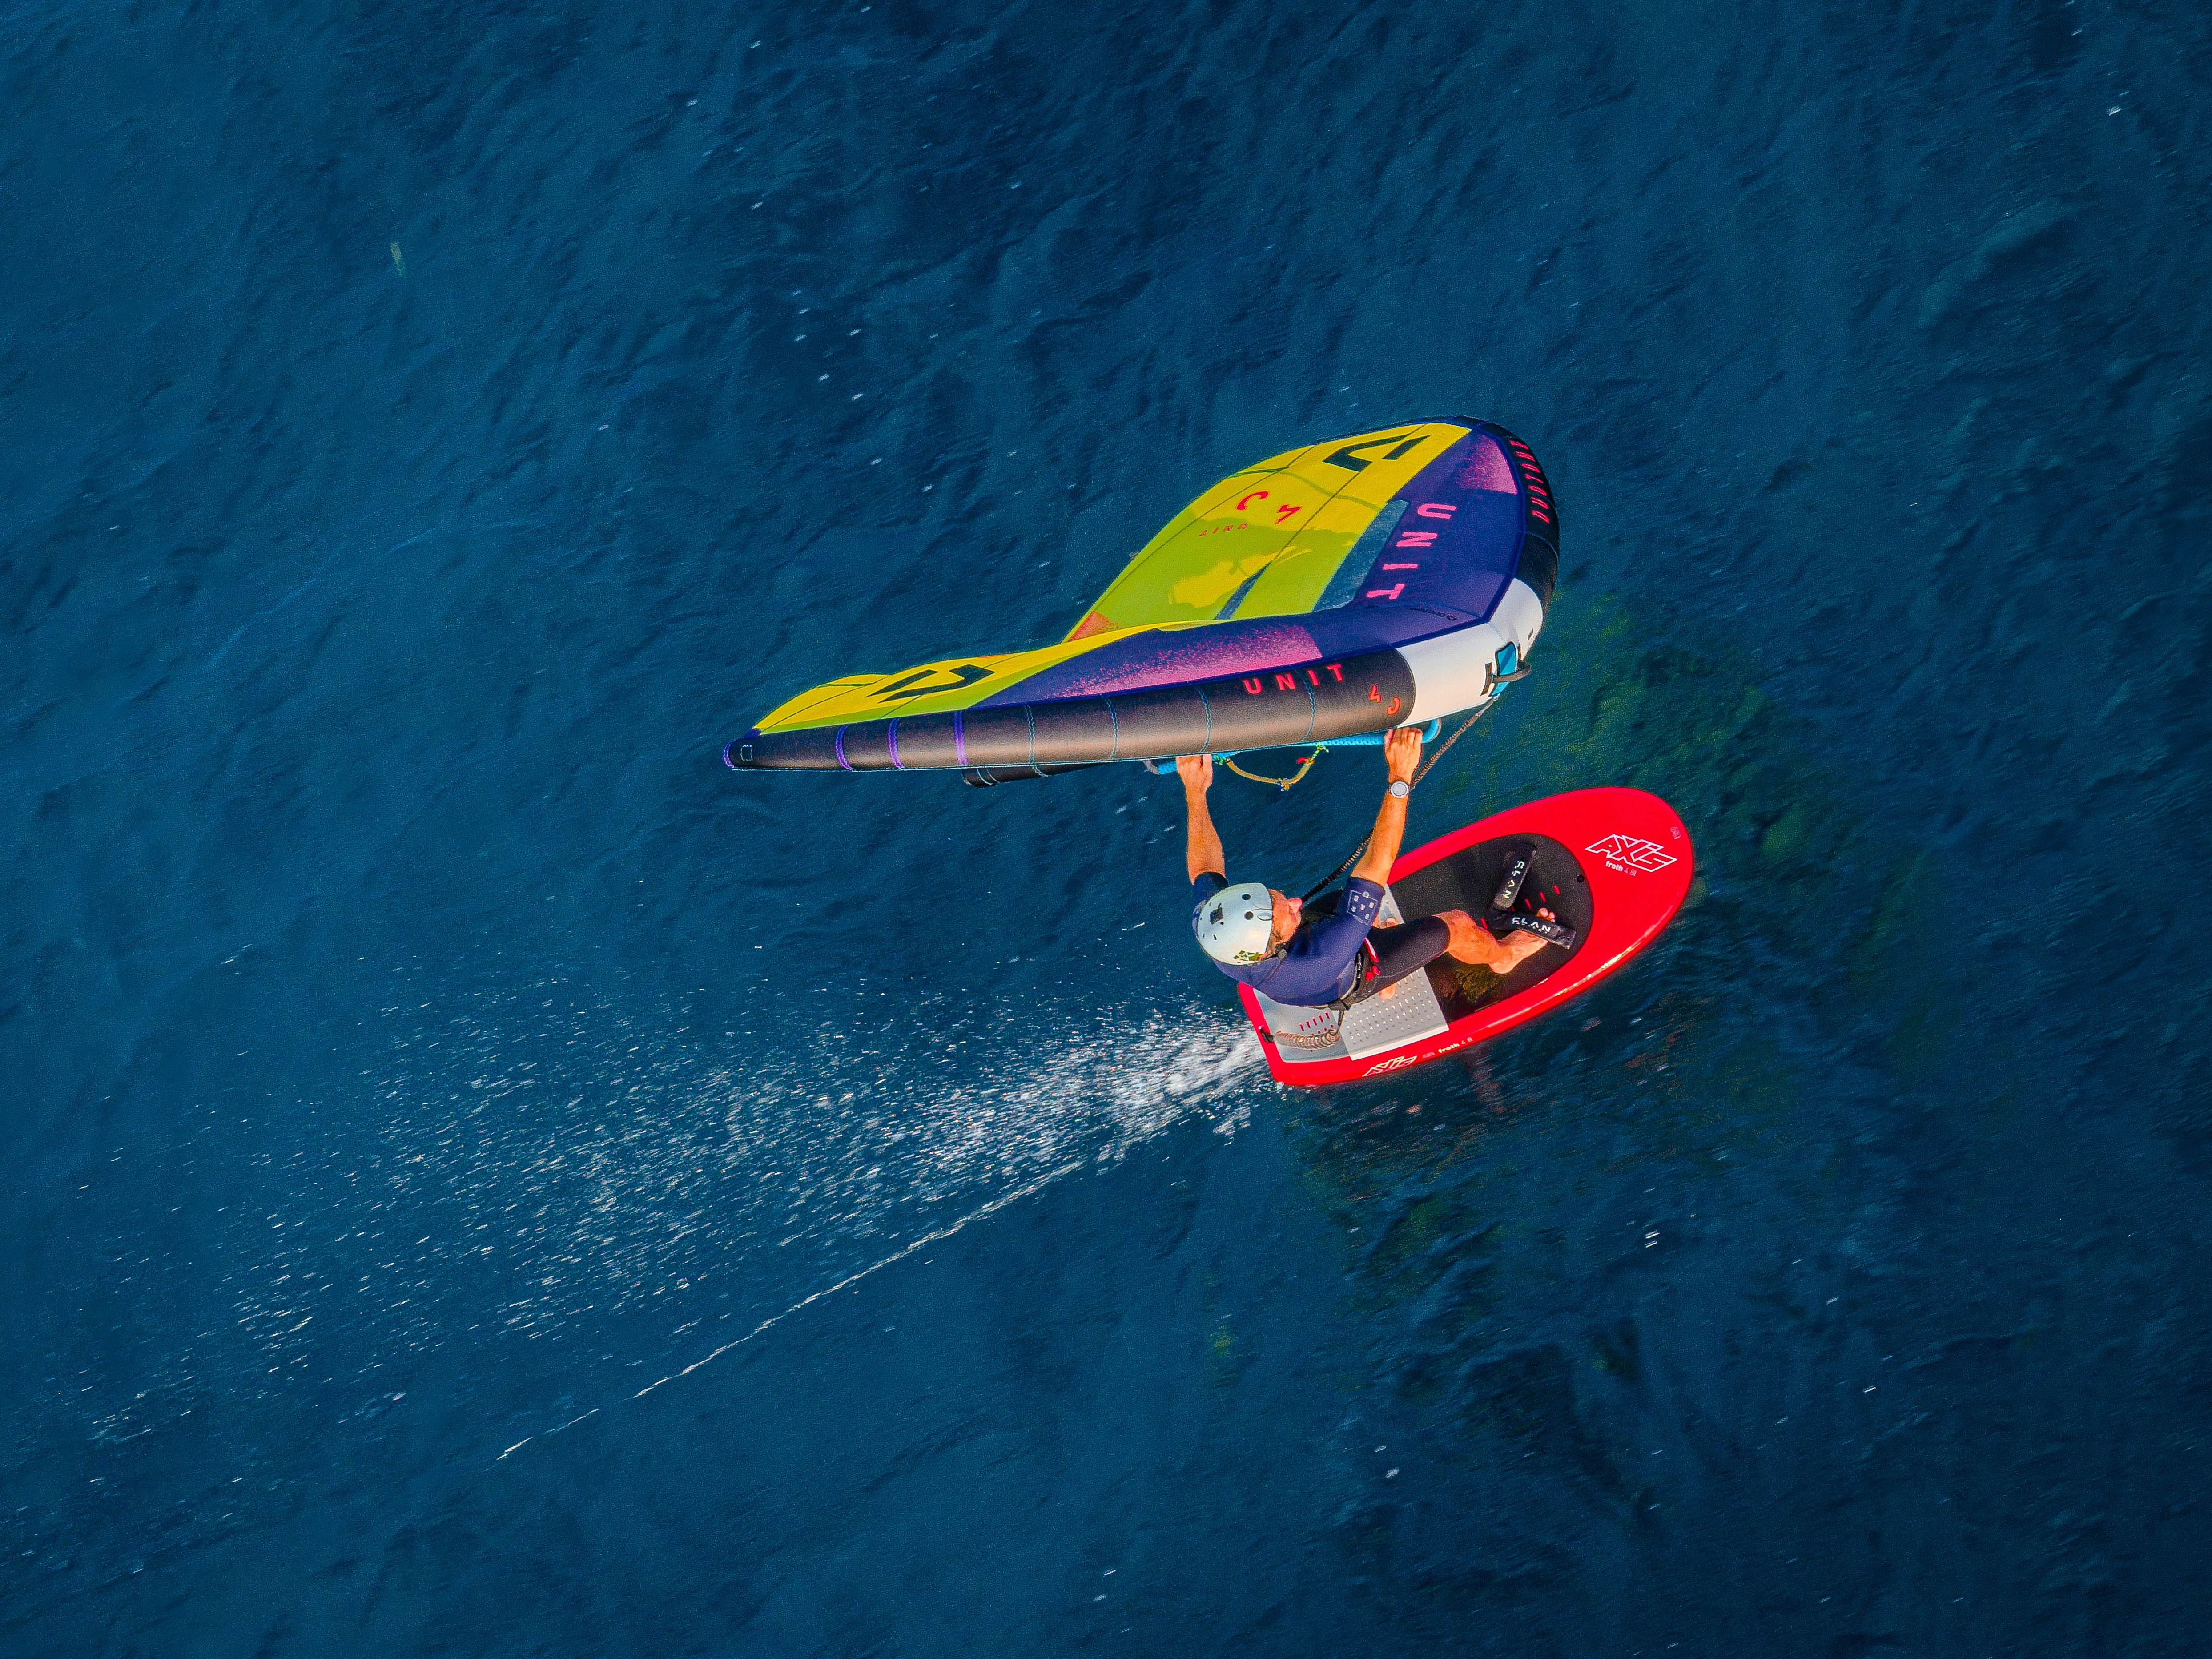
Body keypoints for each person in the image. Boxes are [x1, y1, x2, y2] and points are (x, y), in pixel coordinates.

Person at [1178, 727, 1558, 1009]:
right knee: (1457, 925)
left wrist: (1195, 790)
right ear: (1275, 945)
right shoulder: (1321, 955)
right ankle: (1503, 958)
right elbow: (1377, 867)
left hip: (1300, 966)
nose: (1296, 902)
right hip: (1351, 975)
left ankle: (1375, 943)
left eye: (1278, 897)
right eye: (1289, 914)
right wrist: (1400, 777)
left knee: (1348, 904)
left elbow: (1205, 869)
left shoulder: (1212, 922)